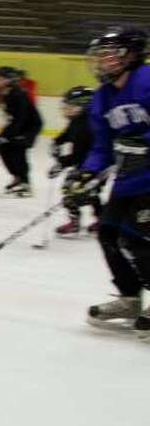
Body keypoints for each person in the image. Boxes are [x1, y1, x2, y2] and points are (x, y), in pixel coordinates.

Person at [71, 28, 150, 337]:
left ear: (131, 54)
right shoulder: (103, 97)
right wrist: (87, 173)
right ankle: (130, 298)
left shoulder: (145, 81)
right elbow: (102, 145)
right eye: (100, 55)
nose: (103, 61)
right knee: (108, 232)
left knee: (136, 237)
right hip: (130, 177)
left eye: (110, 53)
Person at [49, 86, 99, 237]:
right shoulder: (78, 121)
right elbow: (67, 134)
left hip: (94, 166)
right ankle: (101, 220)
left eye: (70, 106)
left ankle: (78, 223)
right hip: (88, 164)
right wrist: (57, 141)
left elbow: (78, 155)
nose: (66, 109)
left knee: (75, 190)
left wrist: (61, 163)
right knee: (88, 193)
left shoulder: (86, 126)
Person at [0, 66, 43, 197]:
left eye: (0, 79)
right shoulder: (6, 94)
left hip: (29, 126)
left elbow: (19, 120)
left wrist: (5, 135)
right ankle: (17, 177)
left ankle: (25, 183)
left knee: (18, 150)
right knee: (3, 147)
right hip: (19, 125)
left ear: (10, 80)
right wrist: (1, 137)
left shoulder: (19, 94)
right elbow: (11, 119)